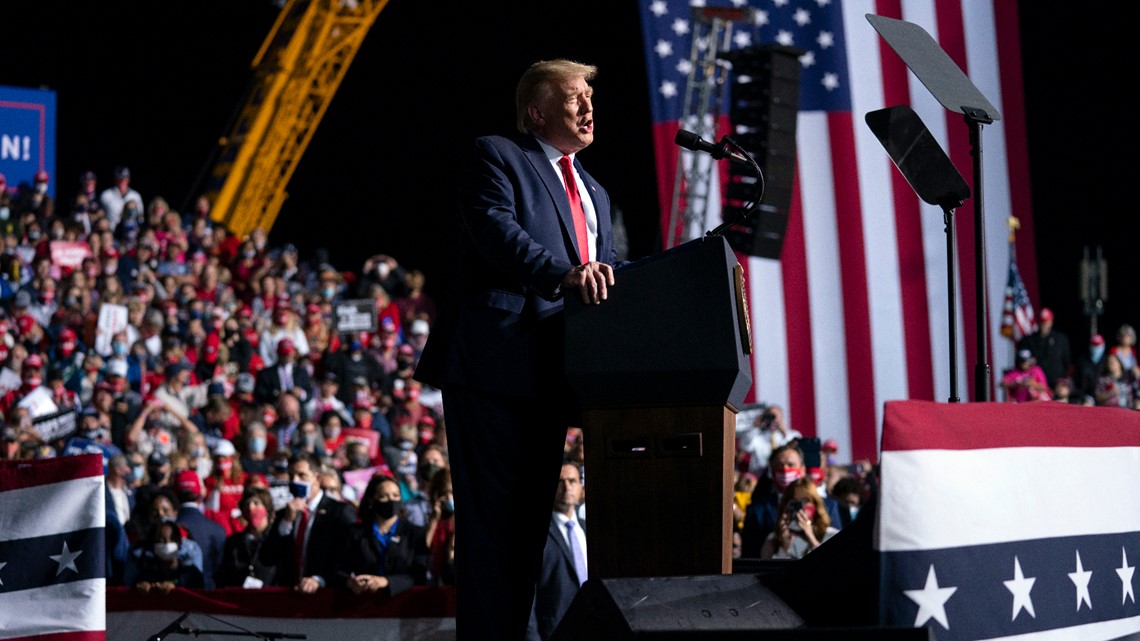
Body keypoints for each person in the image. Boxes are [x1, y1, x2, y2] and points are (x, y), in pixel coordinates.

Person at [414, 59, 617, 641]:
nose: (588, 107)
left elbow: (607, 273)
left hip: (553, 375)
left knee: (528, 532)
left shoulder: (596, 192)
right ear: (537, 112)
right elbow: (496, 231)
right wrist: (562, 274)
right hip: (494, 364)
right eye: (574, 97)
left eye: (590, 97)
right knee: (492, 531)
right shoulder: (499, 155)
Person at [264, 451, 356, 593]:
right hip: (290, 593)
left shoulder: (339, 512)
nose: (295, 481)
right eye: (291, 476)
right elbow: (268, 556)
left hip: (325, 594)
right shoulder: (285, 513)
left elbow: (346, 556)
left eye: (302, 475)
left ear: (317, 478)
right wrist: (287, 522)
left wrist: (320, 579)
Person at [336, 474, 429, 596]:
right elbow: (340, 569)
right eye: (384, 496)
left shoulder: (415, 533)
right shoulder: (355, 533)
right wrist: (350, 582)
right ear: (371, 500)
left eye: (395, 495)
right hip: (363, 601)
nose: (391, 500)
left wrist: (387, 582)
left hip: (403, 601)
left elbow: (419, 574)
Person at [528, 463, 588, 641]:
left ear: (581, 488)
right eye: (560, 482)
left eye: (572, 481)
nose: (567, 487)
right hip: (555, 633)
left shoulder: (588, 530)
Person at [217, 486, 281, 588]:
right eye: (247, 504)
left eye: (256, 503)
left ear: (266, 508)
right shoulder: (233, 543)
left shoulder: (278, 541)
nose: (251, 508)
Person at [760, 478, 838, 560]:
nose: (801, 508)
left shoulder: (830, 534)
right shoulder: (773, 539)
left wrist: (812, 539)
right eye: (795, 502)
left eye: (805, 501)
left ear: (815, 504)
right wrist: (784, 545)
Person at [1016, 307, 1070, 387]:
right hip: (1036, 385)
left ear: (1051, 321)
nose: (1044, 325)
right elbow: (1021, 361)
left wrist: (1062, 378)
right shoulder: (1029, 340)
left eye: (1046, 322)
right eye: (1042, 322)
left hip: (1055, 383)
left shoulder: (1060, 339)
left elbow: (1066, 361)